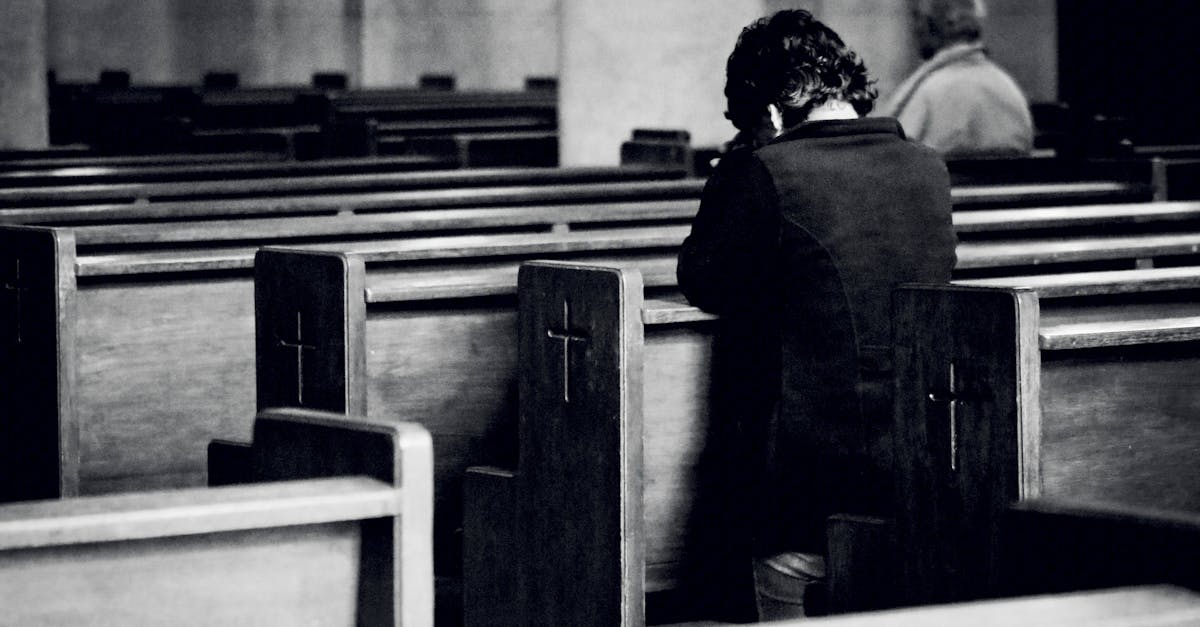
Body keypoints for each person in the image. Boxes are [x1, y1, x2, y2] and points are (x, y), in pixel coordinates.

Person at [676, 9, 957, 621]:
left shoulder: (763, 169)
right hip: (918, 444)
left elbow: (702, 279)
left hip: (806, 465)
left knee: (778, 566)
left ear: (770, 113)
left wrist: (737, 168)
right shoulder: (927, 167)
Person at [879, 0, 1033, 157]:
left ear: (936, 23)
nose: (915, 29)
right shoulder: (1009, 90)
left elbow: (890, 161)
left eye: (918, 18)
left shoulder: (929, 94)